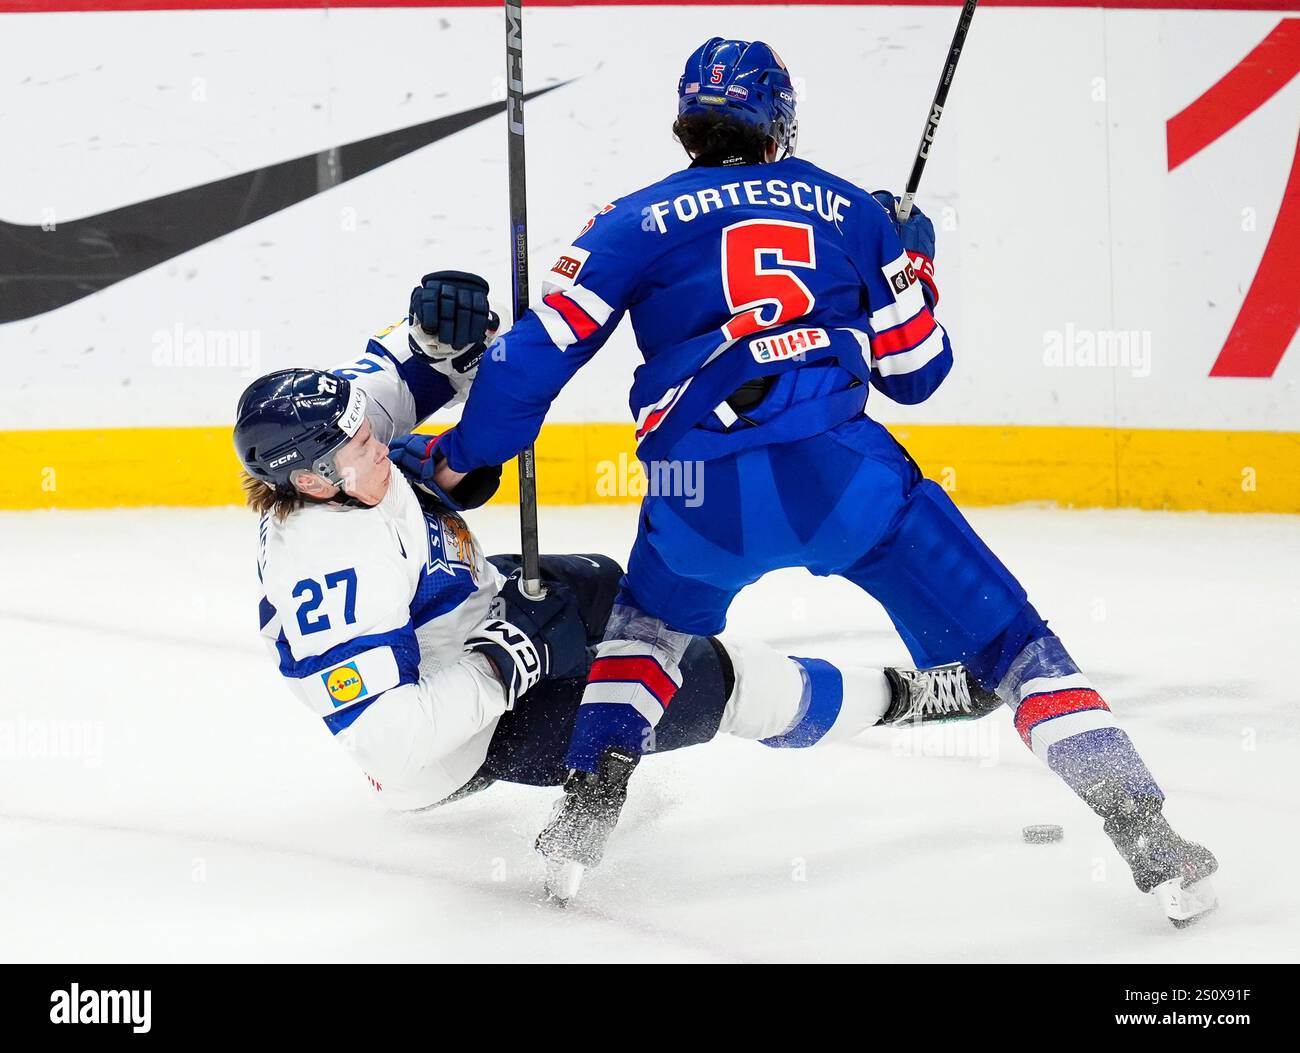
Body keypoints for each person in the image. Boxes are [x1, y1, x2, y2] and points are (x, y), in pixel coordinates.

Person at [426, 40, 1218, 923]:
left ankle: (582, 818)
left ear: (687, 125)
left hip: (698, 492)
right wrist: (913, 262)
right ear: (782, 123)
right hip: (842, 480)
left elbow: (533, 356)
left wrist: (467, 454)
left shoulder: (631, 219)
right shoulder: (849, 210)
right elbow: (916, 373)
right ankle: (1150, 836)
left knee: (645, 627)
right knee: (1015, 647)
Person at [233, 270, 997, 893]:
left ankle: (599, 770)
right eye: (360, 447)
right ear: (313, 481)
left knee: (621, 597)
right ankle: (902, 697)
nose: (377, 440)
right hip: (461, 739)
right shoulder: (330, 567)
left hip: (474, 610)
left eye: (370, 430)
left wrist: (435, 336)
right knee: (718, 679)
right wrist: (506, 659)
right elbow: (398, 745)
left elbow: (400, 375)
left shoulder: (334, 441)